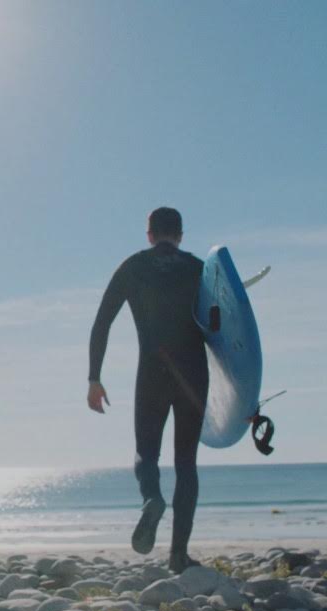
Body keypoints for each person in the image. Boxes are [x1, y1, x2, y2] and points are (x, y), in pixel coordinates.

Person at [87, 207, 208, 573]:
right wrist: (241, 399)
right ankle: (178, 556)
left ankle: (152, 498)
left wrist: (94, 377)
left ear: (149, 234)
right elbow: (225, 333)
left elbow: (102, 322)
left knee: (146, 453)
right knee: (186, 464)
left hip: (152, 371)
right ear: (181, 235)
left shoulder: (134, 266)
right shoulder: (199, 268)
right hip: (193, 374)